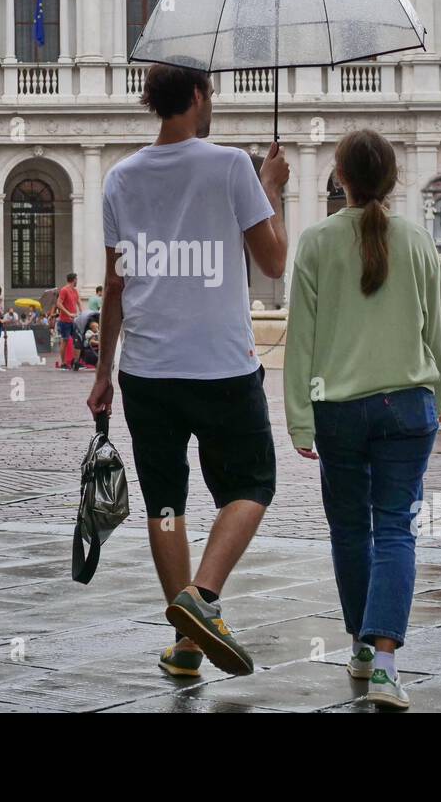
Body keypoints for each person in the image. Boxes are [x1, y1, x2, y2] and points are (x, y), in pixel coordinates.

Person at [87, 62, 288, 680]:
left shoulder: (120, 179)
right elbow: (274, 262)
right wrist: (272, 186)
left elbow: (114, 286)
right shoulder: (232, 166)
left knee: (165, 502)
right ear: (198, 96)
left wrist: (102, 372)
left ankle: (187, 644)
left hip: (145, 368)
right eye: (212, 95)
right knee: (253, 485)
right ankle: (201, 599)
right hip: (221, 364)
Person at [284, 129, 441, 710]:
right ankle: (384, 664)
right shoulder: (419, 241)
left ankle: (359, 646)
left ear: (340, 179)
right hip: (407, 404)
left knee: (351, 531)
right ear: (393, 179)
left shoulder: (316, 242)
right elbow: (438, 334)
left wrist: (299, 419)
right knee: (396, 528)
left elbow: (299, 339)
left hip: (339, 409)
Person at [57, 273, 81, 352]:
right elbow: (59, 303)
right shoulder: (64, 290)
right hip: (64, 321)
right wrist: (69, 313)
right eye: (76, 279)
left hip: (74, 321)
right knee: (65, 341)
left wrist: (82, 313)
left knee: (77, 341)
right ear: (74, 280)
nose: (77, 281)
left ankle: (75, 362)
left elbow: (79, 302)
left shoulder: (75, 291)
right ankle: (63, 363)